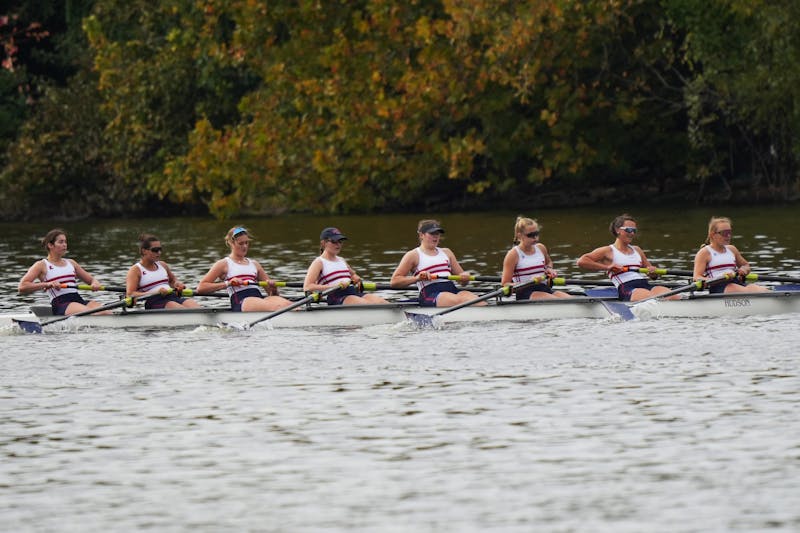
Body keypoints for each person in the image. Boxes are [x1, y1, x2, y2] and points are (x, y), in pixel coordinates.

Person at [576, 214, 677, 302]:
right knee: (648, 297)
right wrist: (608, 267)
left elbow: (653, 276)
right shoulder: (607, 250)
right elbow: (582, 261)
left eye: (634, 230)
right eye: (629, 230)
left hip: (644, 284)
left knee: (674, 296)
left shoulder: (637, 250)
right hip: (626, 288)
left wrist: (653, 272)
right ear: (617, 230)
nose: (632, 233)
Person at [390, 219, 484, 307]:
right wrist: (417, 278)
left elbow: (462, 281)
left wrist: (465, 277)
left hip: (451, 289)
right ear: (421, 235)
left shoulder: (447, 252)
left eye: (438, 233)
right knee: (457, 300)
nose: (436, 236)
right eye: (432, 233)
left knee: (478, 301)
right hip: (430, 293)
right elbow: (394, 281)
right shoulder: (413, 255)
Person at [196, 226, 293, 311]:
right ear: (231, 243)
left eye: (247, 243)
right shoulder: (223, 264)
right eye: (241, 243)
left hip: (258, 300)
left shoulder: (255, 264)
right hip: (242, 301)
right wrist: (228, 283)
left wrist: (274, 289)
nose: (245, 246)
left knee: (291, 306)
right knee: (278, 308)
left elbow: (272, 295)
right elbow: (201, 287)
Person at [18, 228, 108, 315]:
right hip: (61, 303)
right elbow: (22, 286)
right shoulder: (41, 265)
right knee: (91, 313)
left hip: (78, 299)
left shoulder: (71, 263)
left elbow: (91, 280)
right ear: (50, 245)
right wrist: (47, 284)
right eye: (61, 242)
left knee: (106, 312)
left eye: (65, 242)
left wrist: (95, 284)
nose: (65, 244)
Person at [303, 227, 389, 305]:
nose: (338, 245)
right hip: (336, 297)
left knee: (382, 302)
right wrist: (334, 286)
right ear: (323, 243)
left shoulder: (341, 260)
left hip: (353, 293)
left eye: (340, 241)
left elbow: (354, 275)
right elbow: (307, 287)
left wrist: (356, 277)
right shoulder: (318, 262)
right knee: (366, 304)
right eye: (334, 241)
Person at [501, 216, 572, 300]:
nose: (535, 238)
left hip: (544, 289)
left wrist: (549, 269)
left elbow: (548, 262)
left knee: (575, 301)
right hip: (526, 293)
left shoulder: (541, 248)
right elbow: (505, 283)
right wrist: (530, 281)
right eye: (530, 235)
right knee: (558, 302)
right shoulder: (513, 254)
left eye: (536, 234)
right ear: (519, 236)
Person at [692, 216, 768, 293]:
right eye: (724, 233)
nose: (728, 236)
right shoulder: (704, 253)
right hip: (719, 287)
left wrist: (744, 270)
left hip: (736, 283)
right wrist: (719, 278)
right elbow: (697, 277)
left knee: (760, 289)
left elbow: (746, 265)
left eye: (729, 232)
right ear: (713, 235)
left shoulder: (732, 249)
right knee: (746, 290)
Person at [125, 234, 201, 309]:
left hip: (172, 296)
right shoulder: (135, 270)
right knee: (179, 308)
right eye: (155, 250)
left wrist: (177, 284)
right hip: (154, 301)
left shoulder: (163, 265)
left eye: (160, 249)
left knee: (194, 306)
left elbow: (172, 280)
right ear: (144, 251)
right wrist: (156, 292)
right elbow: (130, 294)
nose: (159, 253)